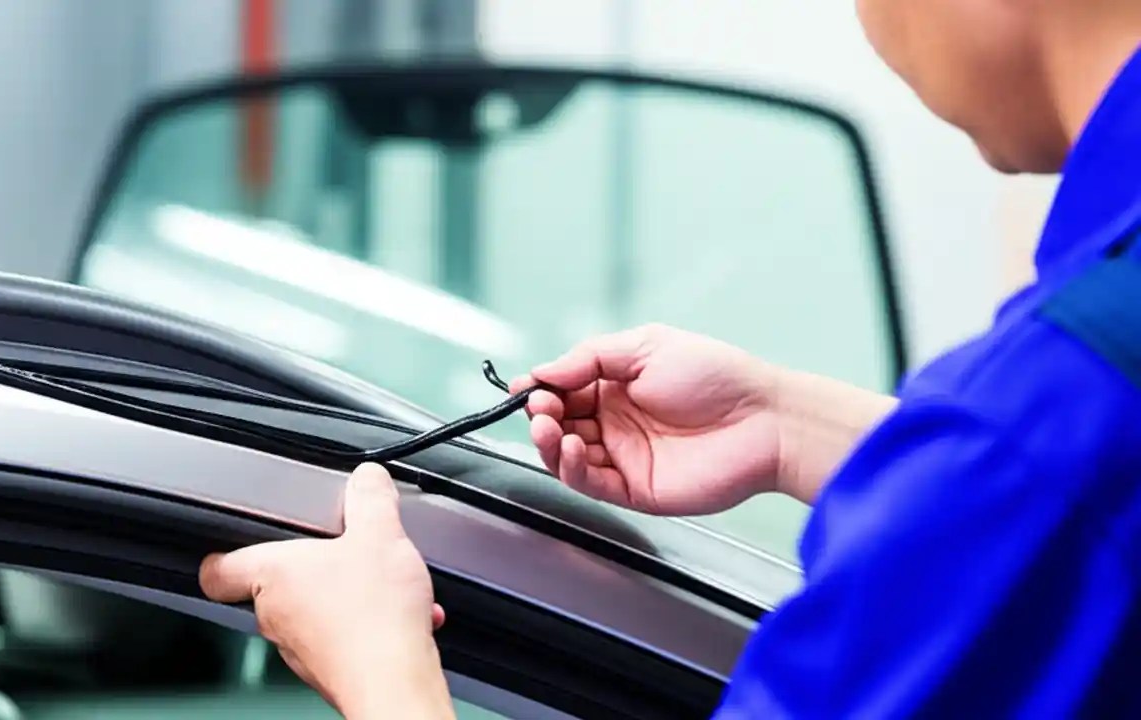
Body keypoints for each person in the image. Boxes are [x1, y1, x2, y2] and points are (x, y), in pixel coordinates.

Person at [199, 2, 1141, 717]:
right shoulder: (1067, 402)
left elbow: (1050, 479)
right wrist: (786, 423)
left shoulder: (1042, 429)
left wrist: (377, 665)